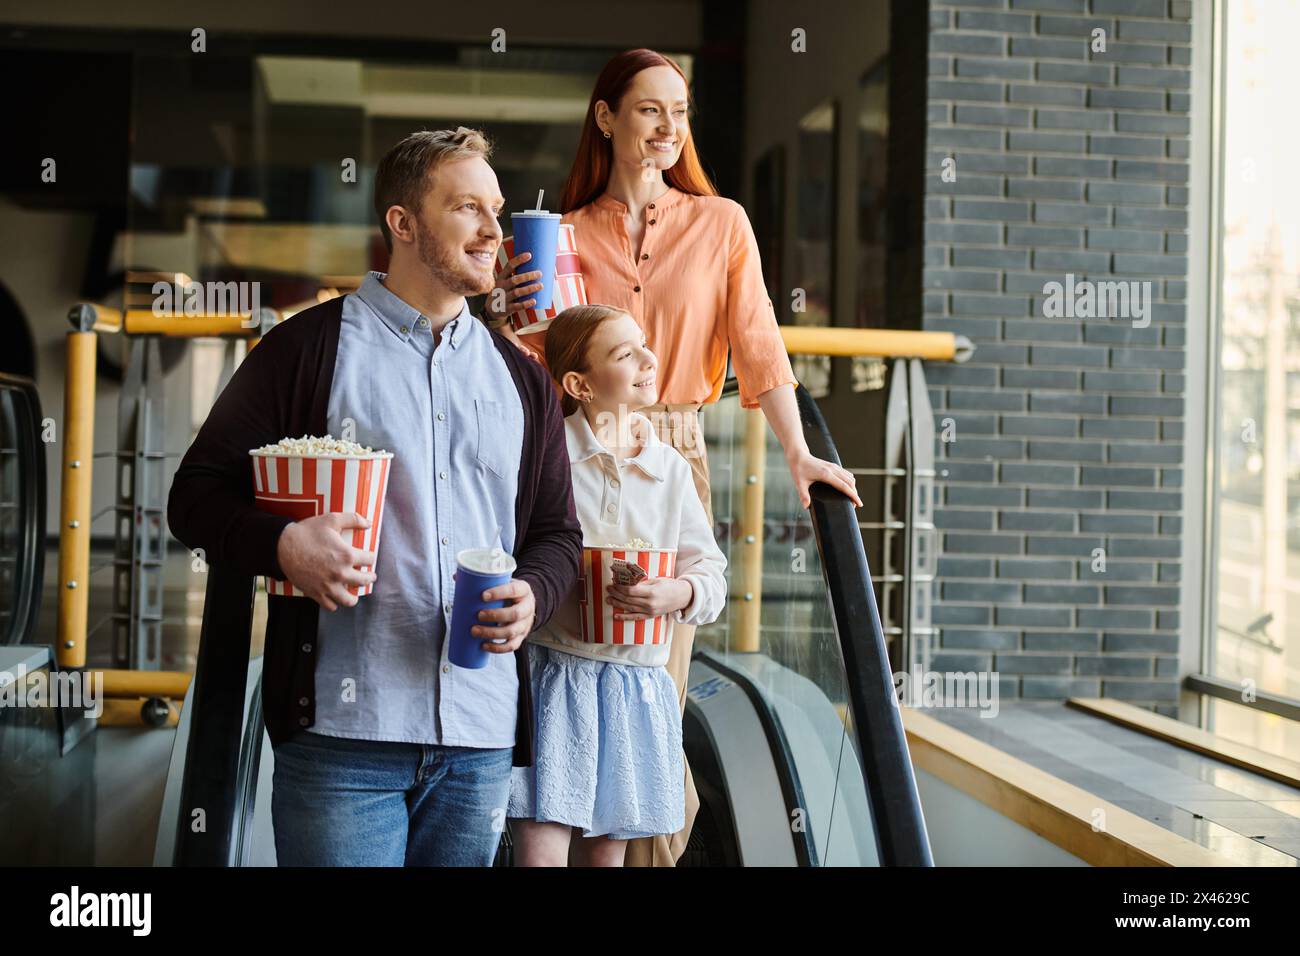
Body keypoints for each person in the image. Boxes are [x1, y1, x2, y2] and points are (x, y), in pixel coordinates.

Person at [483, 48, 862, 866]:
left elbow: (760, 346)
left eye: (679, 112)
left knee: (651, 690)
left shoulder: (720, 222)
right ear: (607, 117)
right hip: (572, 450)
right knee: (556, 663)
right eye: (649, 109)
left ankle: (636, 852)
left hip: (673, 453)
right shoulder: (568, 232)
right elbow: (539, 362)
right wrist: (503, 313)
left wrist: (798, 456)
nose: (667, 127)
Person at [167, 127, 582, 866]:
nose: (495, 231)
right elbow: (195, 494)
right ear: (403, 223)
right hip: (341, 744)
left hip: (478, 742)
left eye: (498, 209)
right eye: (468, 210)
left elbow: (556, 536)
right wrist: (283, 545)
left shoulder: (525, 381)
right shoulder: (305, 352)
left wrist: (533, 593)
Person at [507, 304, 727, 866]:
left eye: (644, 344)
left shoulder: (671, 469)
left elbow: (710, 573)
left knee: (608, 859)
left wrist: (676, 593)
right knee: (540, 851)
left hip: (635, 685)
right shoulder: (543, 455)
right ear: (579, 384)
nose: (649, 360)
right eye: (627, 353)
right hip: (553, 674)